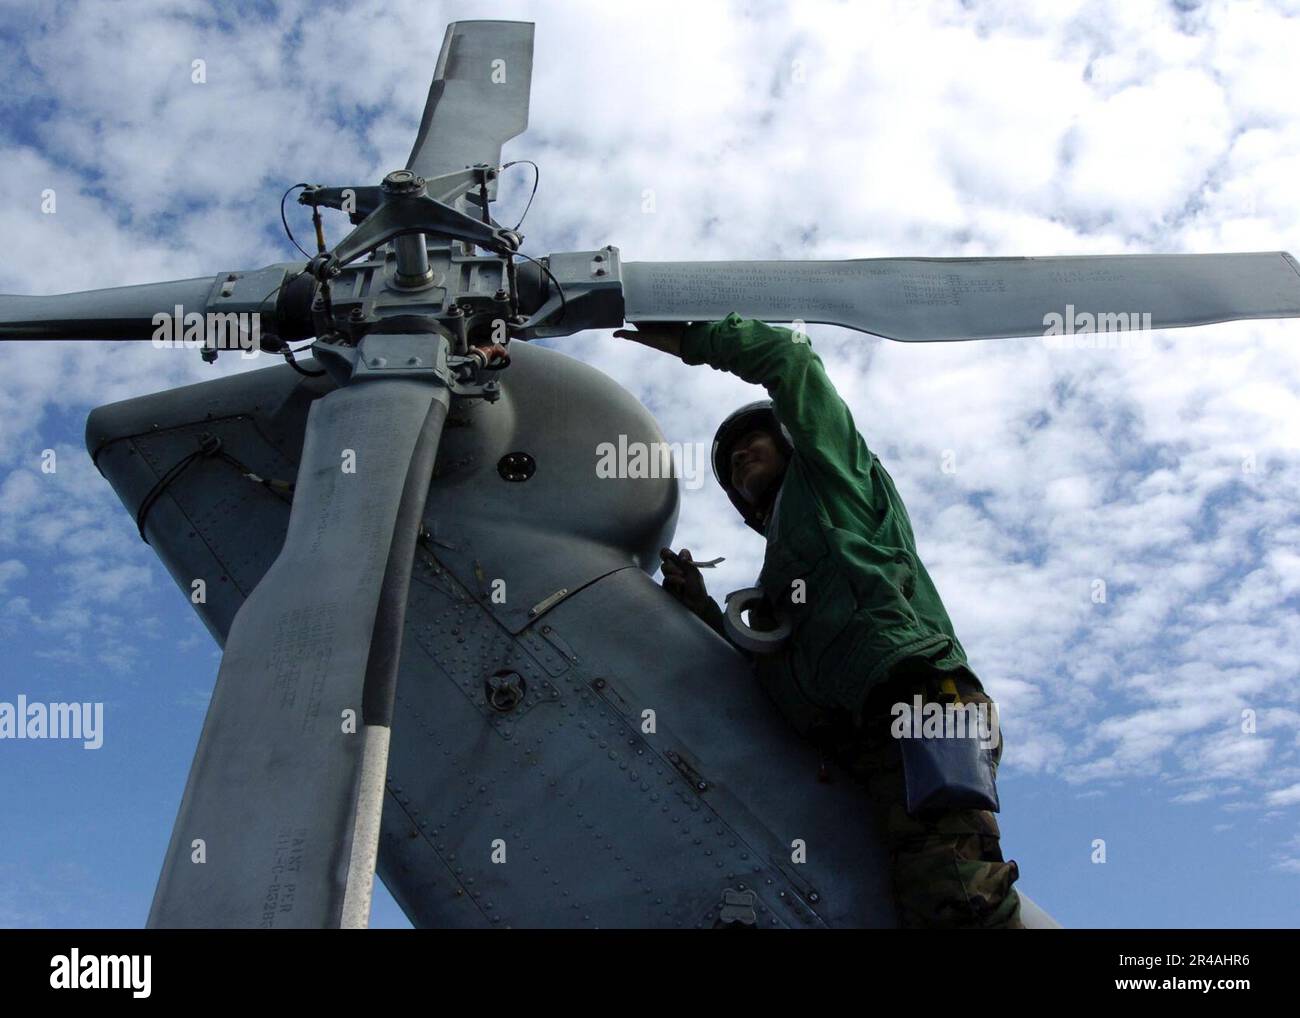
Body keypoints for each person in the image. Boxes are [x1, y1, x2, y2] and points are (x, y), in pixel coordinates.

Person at [614, 314, 1025, 929]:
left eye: (756, 440)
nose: (739, 453)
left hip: (917, 704)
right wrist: (700, 609)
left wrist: (695, 339)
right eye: (727, 461)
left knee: (956, 893)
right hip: (854, 742)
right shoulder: (783, 576)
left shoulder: (835, 479)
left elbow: (791, 361)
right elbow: (774, 667)